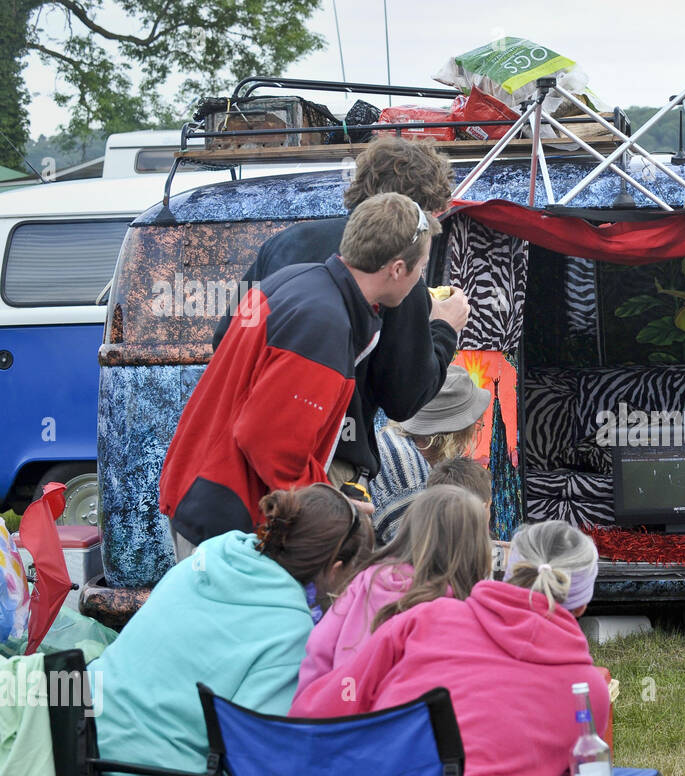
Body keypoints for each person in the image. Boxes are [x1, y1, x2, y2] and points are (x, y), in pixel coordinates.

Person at [291, 520, 608, 776]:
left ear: (510, 570)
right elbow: (575, 768)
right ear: (581, 606)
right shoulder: (587, 687)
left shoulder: (426, 617)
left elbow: (326, 709)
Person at [159, 192, 433, 557]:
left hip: (204, 493)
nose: (420, 280)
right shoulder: (323, 323)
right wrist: (336, 511)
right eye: (421, 269)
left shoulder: (297, 281)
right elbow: (271, 443)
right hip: (230, 521)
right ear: (398, 269)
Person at [90, 484, 371, 776]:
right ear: (336, 568)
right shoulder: (290, 629)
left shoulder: (208, 558)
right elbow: (260, 757)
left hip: (79, 769)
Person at [213, 135, 471, 502]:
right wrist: (444, 328)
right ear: (414, 214)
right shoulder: (399, 276)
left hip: (241, 460)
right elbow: (405, 397)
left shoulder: (283, 244)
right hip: (321, 469)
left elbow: (225, 338)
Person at [293, 484, 491, 699]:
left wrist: (312, 703)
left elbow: (320, 645)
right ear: (476, 550)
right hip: (393, 723)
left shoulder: (367, 578)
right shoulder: (454, 612)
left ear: (408, 528)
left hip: (337, 709)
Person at [369, 365, 491, 544]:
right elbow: (416, 557)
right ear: (454, 435)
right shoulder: (408, 476)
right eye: (474, 424)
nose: (476, 429)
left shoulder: (395, 440)